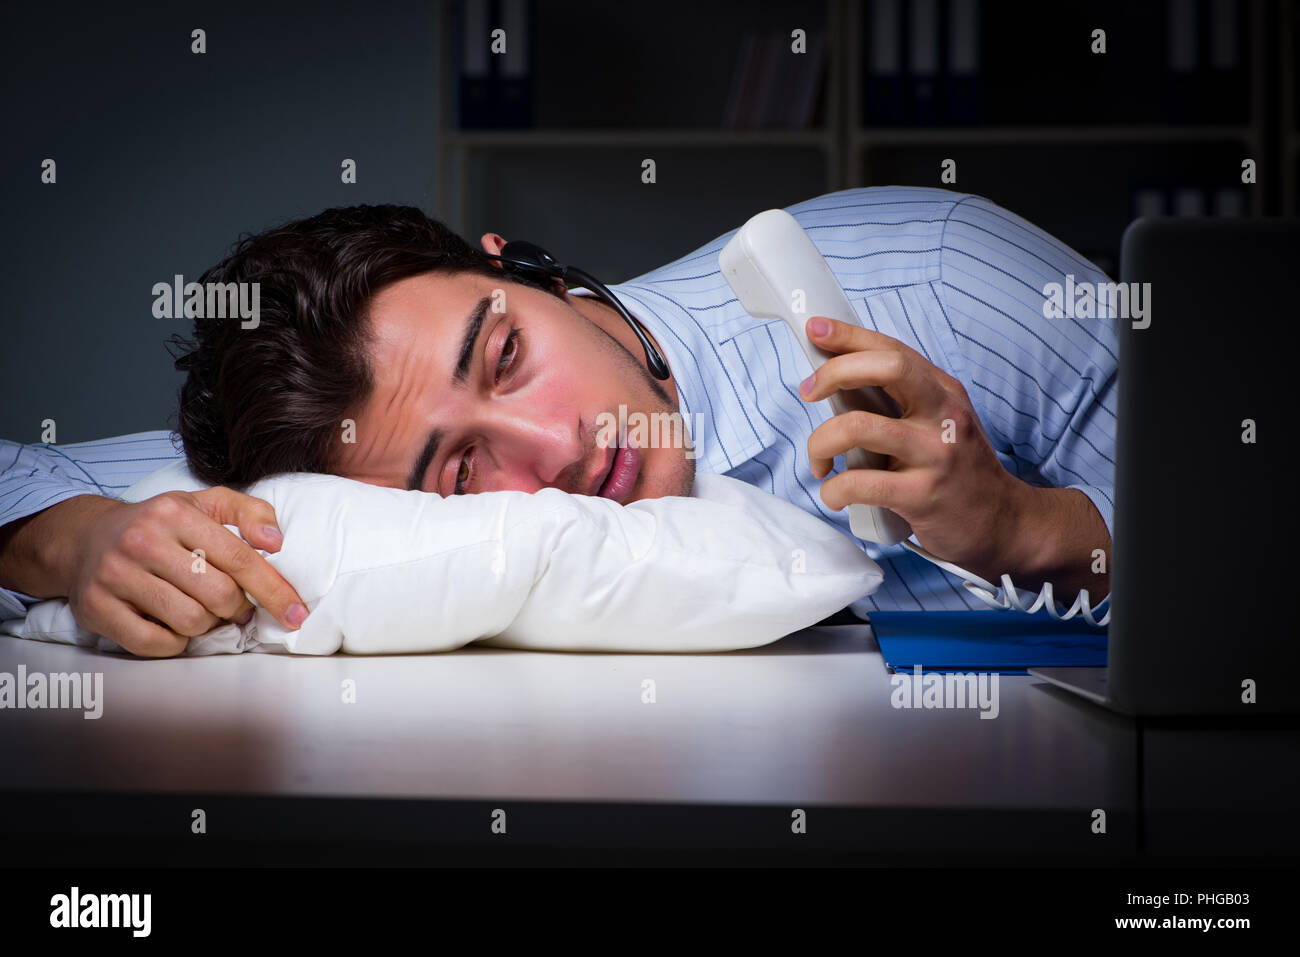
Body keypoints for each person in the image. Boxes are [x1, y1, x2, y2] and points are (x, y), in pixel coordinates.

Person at [0, 185, 1115, 657]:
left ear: (520, 267)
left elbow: (1261, 547)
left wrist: (1029, 530)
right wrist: (71, 540)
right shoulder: (319, 486)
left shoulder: (935, 277)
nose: (557, 449)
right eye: (455, 472)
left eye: (507, 357)